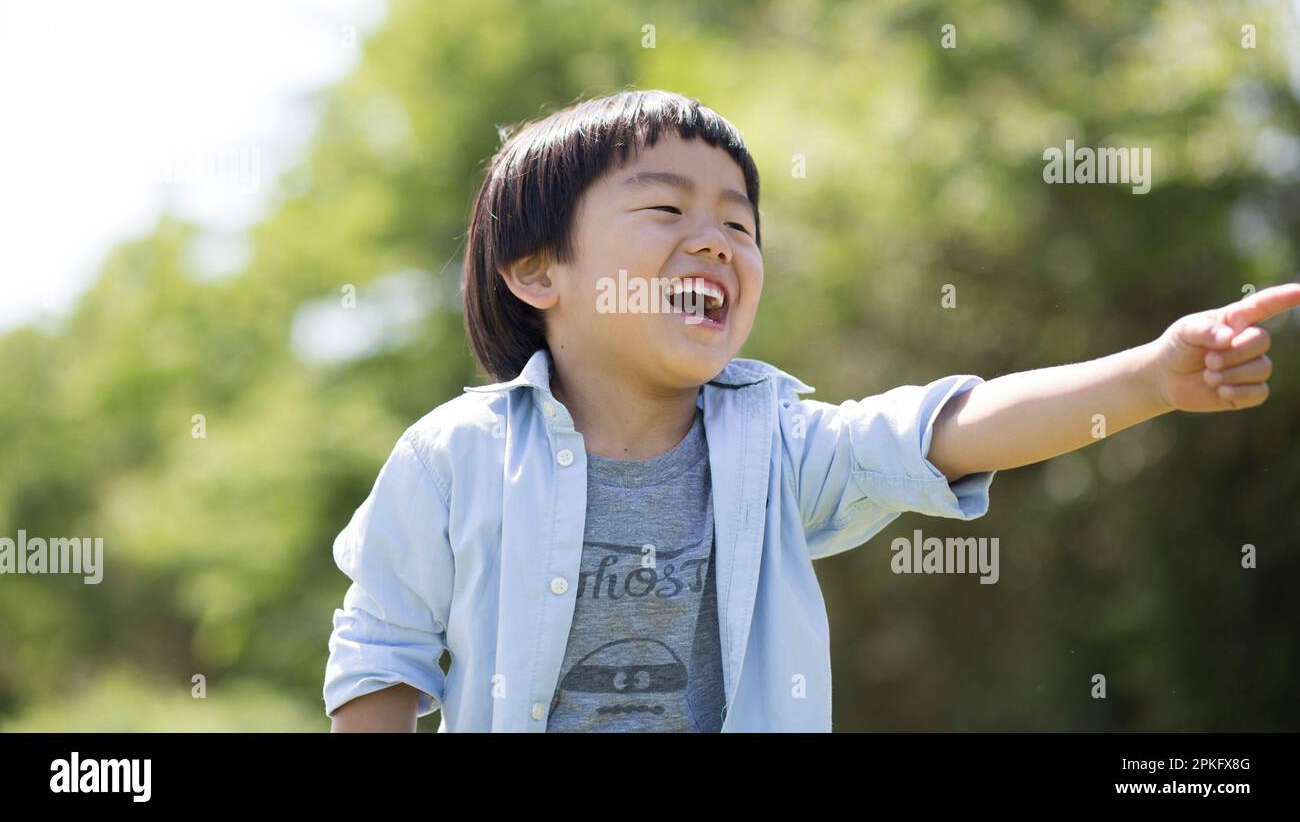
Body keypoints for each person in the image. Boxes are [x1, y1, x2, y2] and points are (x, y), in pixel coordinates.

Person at [323, 89, 1299, 732]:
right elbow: (383, 647)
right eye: (666, 210)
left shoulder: (778, 443)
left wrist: (1148, 377)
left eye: (738, 223)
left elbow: (946, 427)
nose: (715, 241)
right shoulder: (453, 455)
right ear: (537, 269)